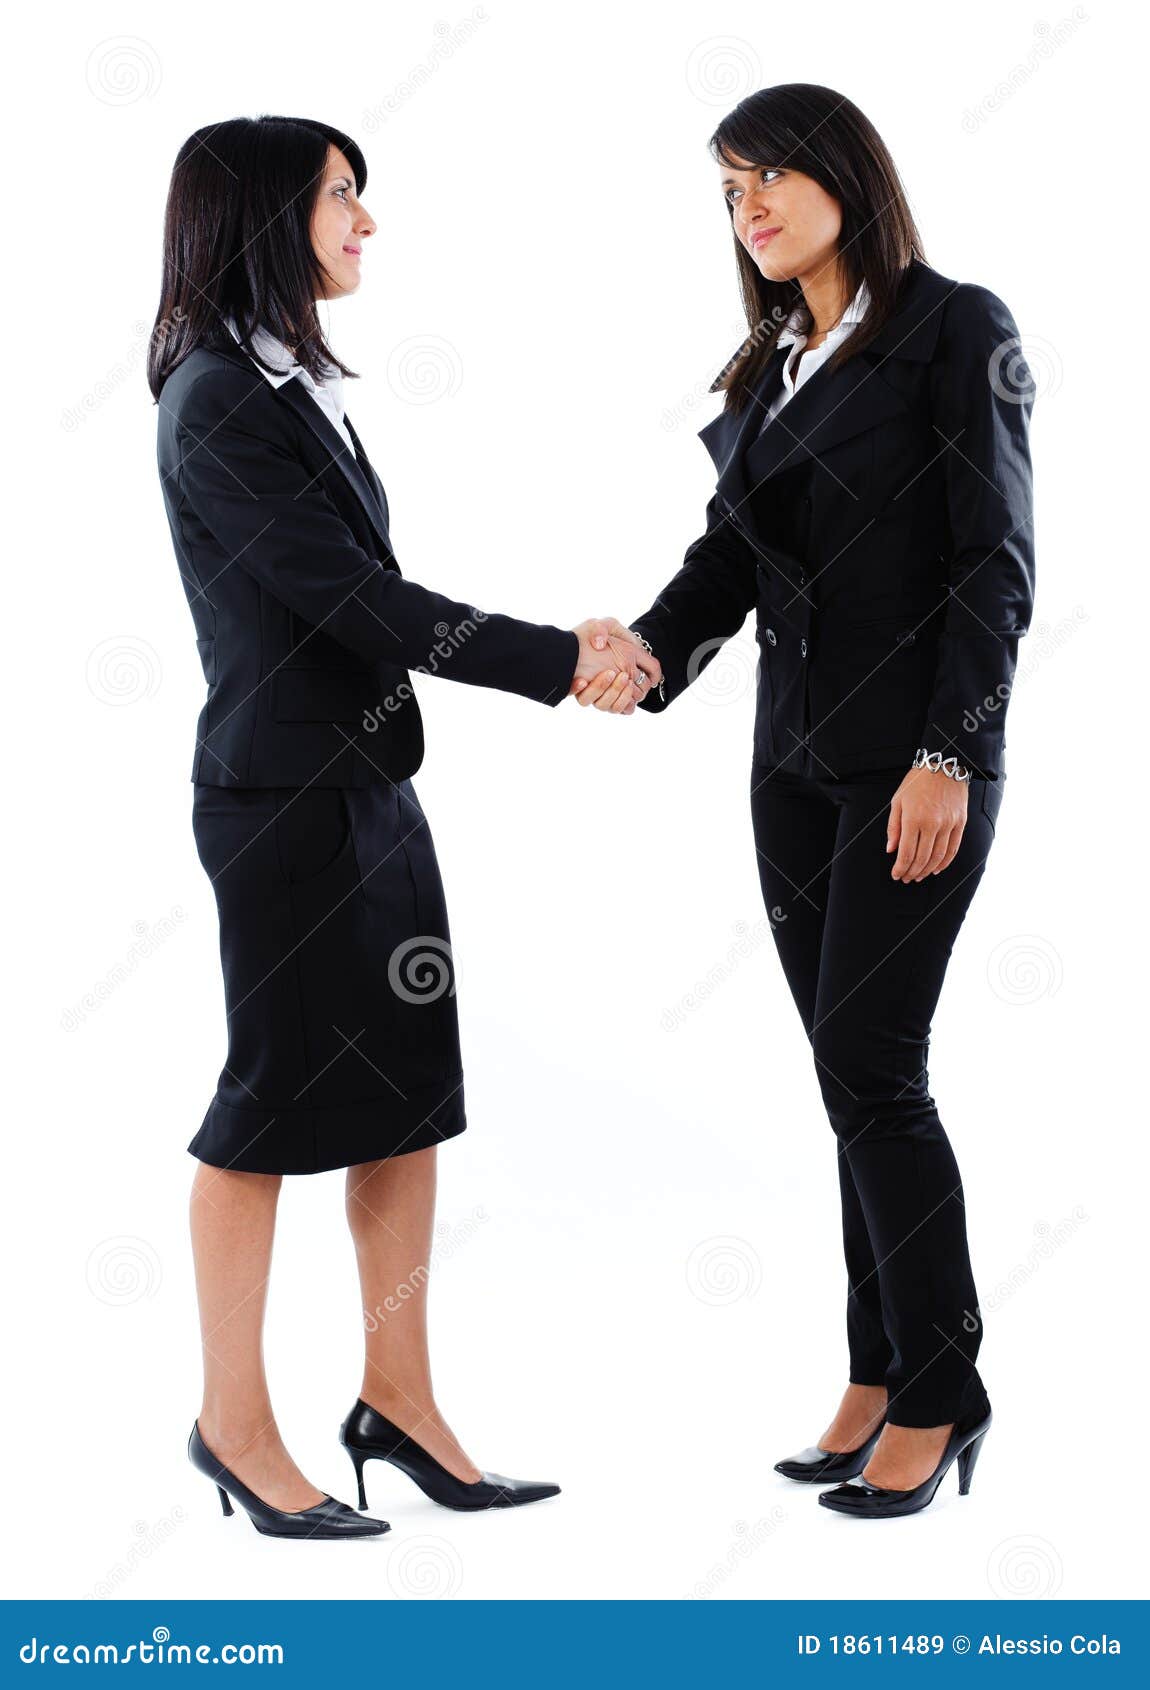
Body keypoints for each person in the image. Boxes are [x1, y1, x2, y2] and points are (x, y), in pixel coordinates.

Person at [149, 114, 660, 1539]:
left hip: (371, 792)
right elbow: (359, 605)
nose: (366, 224)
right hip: (283, 807)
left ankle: (400, 1403)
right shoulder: (212, 398)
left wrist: (567, 648)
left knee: (405, 1102)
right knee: (265, 1109)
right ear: (264, 219)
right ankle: (232, 1425)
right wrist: (562, 658)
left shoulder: (288, 381)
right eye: (341, 200)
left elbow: (371, 596)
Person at [577, 82, 1035, 1519]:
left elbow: (993, 566)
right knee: (851, 1082)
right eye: (726, 190)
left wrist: (949, 754)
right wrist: (639, 660)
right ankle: (874, 1366)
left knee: (874, 1069)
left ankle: (945, 1389)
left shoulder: (955, 328)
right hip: (786, 770)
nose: (749, 208)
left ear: (845, 173)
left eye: (770, 176)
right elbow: (729, 566)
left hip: (913, 766)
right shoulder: (767, 365)